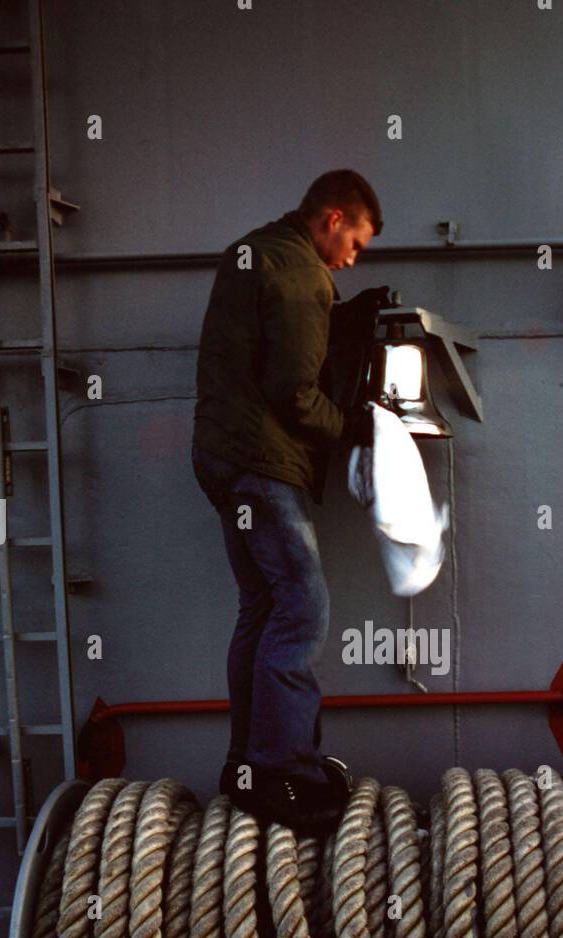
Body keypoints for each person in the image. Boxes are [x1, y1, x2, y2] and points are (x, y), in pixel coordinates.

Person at [191, 169, 390, 833]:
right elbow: (294, 394)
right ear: (333, 218)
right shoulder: (304, 276)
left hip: (221, 459)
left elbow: (263, 353)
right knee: (303, 607)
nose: (352, 258)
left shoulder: (254, 251)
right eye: (356, 243)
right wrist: (356, 427)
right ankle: (286, 771)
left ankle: (245, 763)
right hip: (261, 463)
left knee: (261, 606)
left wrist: (338, 322)